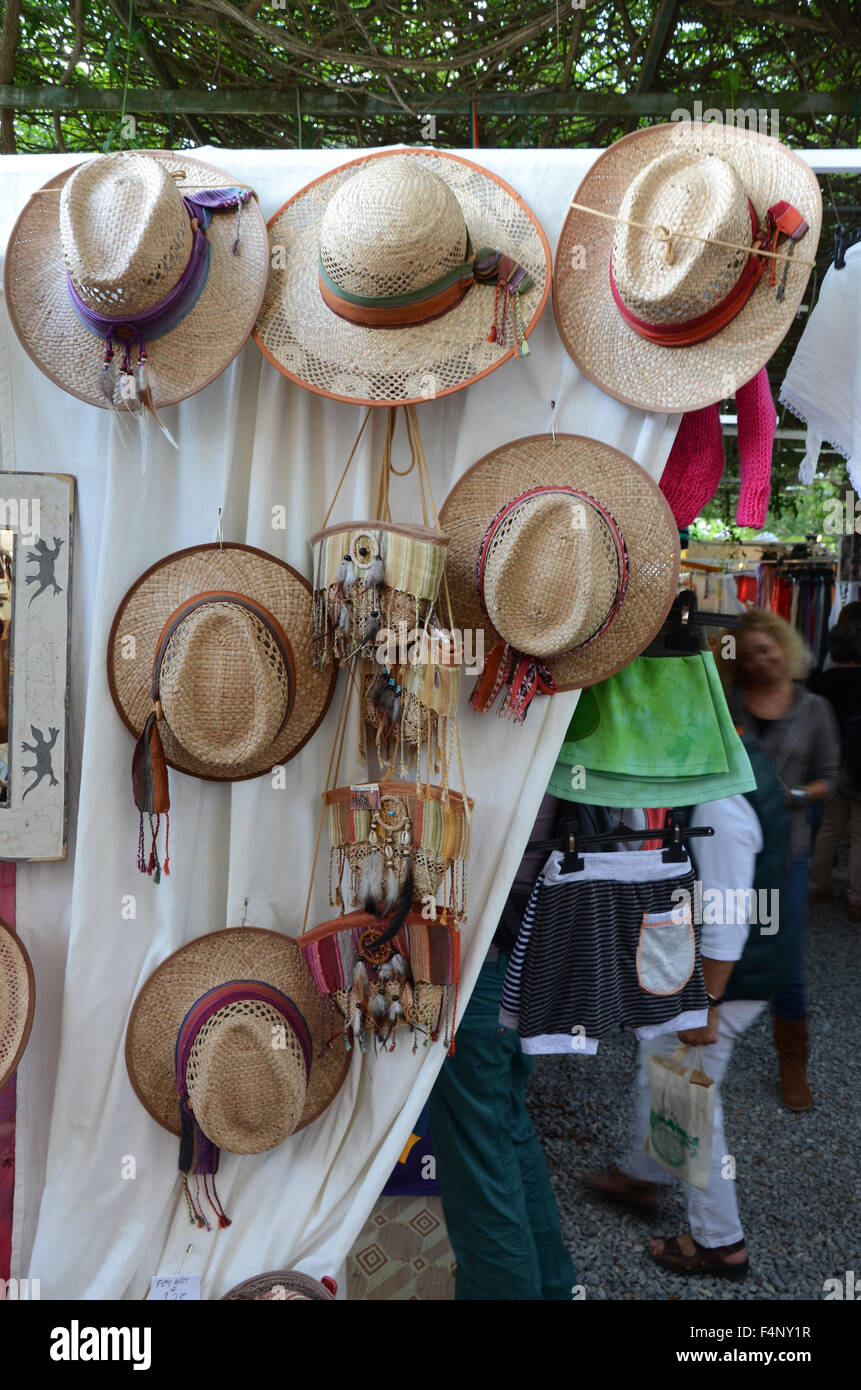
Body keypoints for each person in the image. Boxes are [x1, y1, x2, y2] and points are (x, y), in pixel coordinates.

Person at [588, 736, 794, 1279]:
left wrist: (707, 1003)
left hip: (723, 977)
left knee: (685, 1096)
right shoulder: (705, 758)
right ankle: (642, 1175)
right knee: (664, 1069)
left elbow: (727, 908)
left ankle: (721, 1243)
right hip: (707, 968)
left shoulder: (715, 791)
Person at [428, 793, 576, 1300]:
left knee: (482, 1169)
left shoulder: (513, 731)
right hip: (516, 960)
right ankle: (554, 1288)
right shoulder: (544, 735)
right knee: (504, 1133)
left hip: (484, 963)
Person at [721, 609, 839, 1110]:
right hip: (729, 850)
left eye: (767, 651)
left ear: (785, 649)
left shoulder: (813, 709)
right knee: (723, 936)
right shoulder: (730, 704)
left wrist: (786, 794)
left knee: (784, 957)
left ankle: (793, 1064)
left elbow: (831, 779)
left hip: (785, 851)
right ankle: (712, 1037)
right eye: (749, 655)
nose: (760, 660)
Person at [809, 619, 861, 918]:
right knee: (858, 832)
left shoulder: (822, 681)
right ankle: (856, 897)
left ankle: (818, 885)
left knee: (829, 827)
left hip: (828, 761)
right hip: (858, 765)